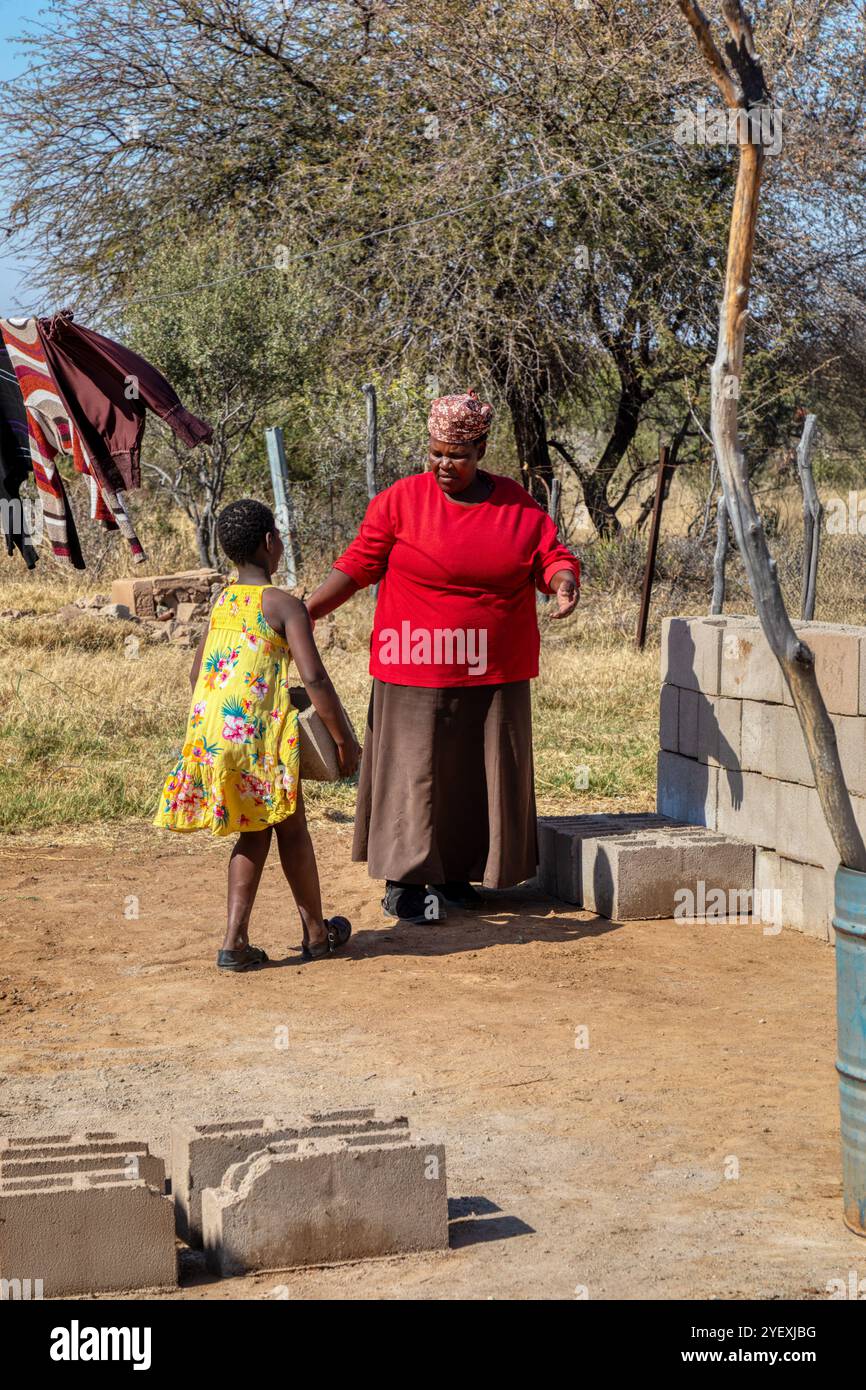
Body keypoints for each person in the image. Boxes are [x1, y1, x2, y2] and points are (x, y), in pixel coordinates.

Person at [305, 389, 580, 924]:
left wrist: (563, 582)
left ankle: (458, 874)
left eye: (455, 455)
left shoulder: (516, 503)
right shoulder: (400, 501)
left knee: (476, 771)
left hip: (494, 666)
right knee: (416, 771)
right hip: (415, 661)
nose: (443, 465)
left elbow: (551, 554)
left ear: (480, 451)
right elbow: (360, 564)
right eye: (435, 453)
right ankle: (406, 882)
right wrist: (306, 611)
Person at [154, 499, 360, 969]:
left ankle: (264, 940)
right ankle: (294, 938)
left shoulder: (222, 601)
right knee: (288, 833)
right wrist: (344, 739)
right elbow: (315, 678)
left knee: (263, 831)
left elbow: (195, 673)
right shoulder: (285, 605)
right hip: (259, 741)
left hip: (215, 735)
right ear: (271, 543)